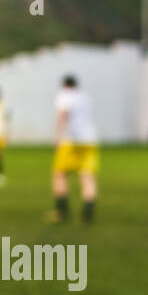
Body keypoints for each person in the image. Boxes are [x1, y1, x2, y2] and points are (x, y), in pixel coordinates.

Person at [49, 75, 98, 224]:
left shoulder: (64, 96)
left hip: (70, 140)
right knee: (86, 175)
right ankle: (87, 212)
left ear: (64, 85)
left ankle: (61, 211)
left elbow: (64, 115)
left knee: (60, 174)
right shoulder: (85, 97)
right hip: (89, 140)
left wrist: (58, 135)